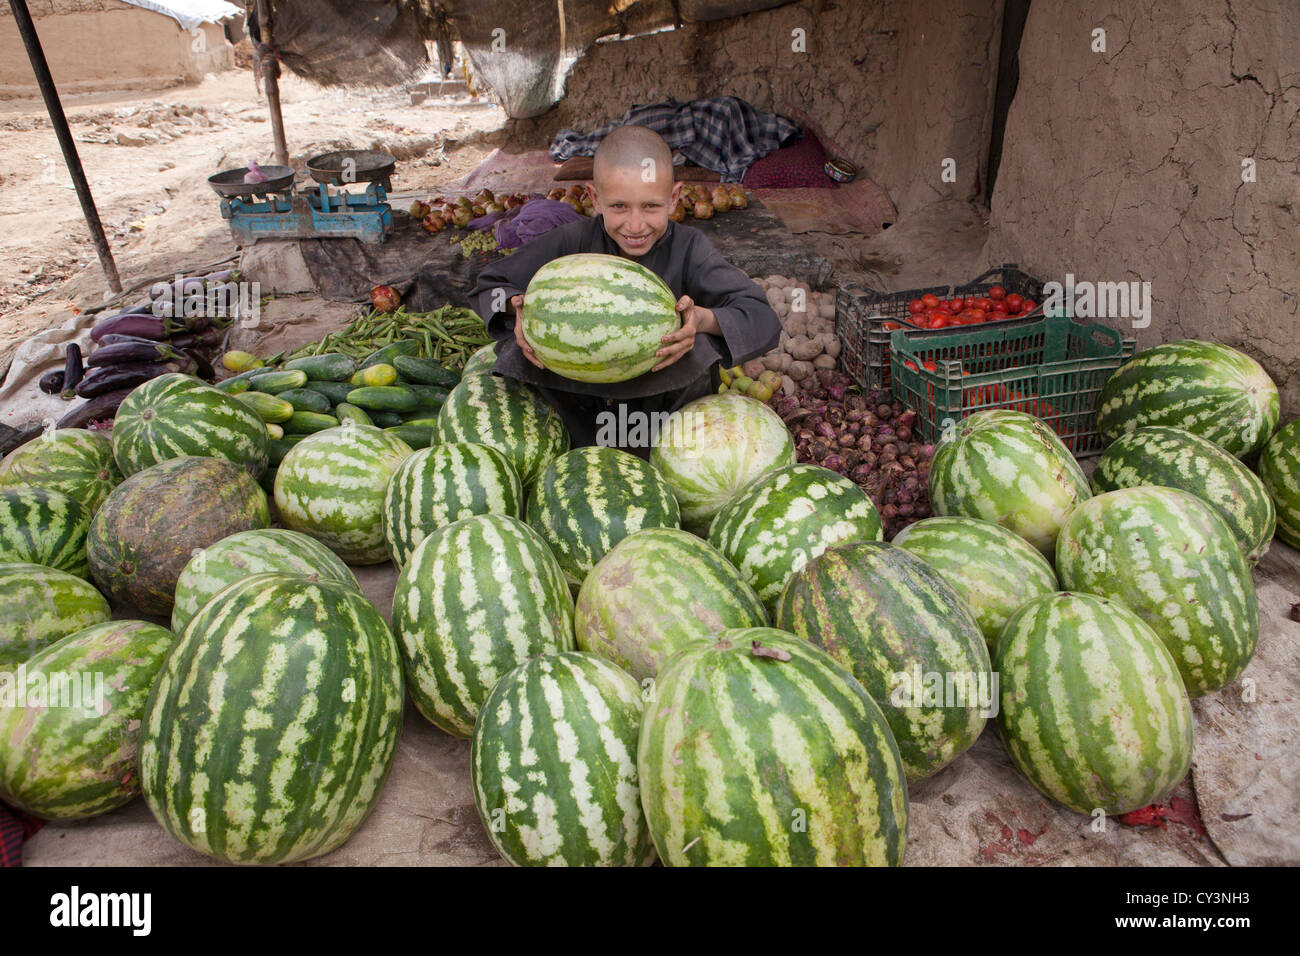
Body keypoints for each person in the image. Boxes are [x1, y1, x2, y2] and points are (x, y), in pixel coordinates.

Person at [469, 125, 781, 457]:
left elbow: (761, 316)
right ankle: (562, 453)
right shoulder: (570, 242)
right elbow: (490, 285)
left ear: (674, 198)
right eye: (619, 207)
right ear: (594, 198)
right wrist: (516, 309)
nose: (635, 225)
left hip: (659, 413)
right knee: (520, 347)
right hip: (575, 406)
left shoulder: (689, 248)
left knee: (699, 346)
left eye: (651, 207)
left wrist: (700, 321)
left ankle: (662, 458)